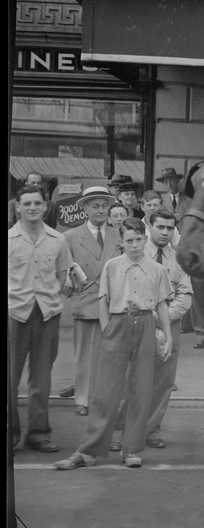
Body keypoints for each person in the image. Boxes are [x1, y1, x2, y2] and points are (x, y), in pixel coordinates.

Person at [53, 217, 173, 471]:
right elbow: (103, 299)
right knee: (106, 390)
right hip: (117, 324)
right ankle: (88, 451)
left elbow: (162, 304)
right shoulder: (112, 266)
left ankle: (130, 449)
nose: (135, 246)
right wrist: (107, 329)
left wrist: (168, 335)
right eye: (129, 241)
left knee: (141, 390)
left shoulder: (157, 270)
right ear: (122, 242)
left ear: (145, 238)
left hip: (146, 326)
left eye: (139, 240)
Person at [111, 209, 193, 451]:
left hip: (170, 327)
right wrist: (150, 317)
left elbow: (185, 295)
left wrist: (162, 319)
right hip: (135, 323)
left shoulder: (179, 257)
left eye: (170, 228)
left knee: (163, 379)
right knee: (130, 378)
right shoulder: (134, 250)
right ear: (150, 226)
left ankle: (151, 428)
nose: (165, 232)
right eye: (160, 227)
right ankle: (118, 430)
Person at [9, 184, 78, 453]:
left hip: (47, 313)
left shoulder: (57, 240)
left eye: (37, 203)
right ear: (18, 207)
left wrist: (50, 297)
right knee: (10, 379)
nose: (32, 208)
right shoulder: (9, 240)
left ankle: (37, 435)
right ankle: (11, 435)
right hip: (14, 314)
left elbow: (62, 274)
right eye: (26, 204)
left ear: (45, 206)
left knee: (41, 378)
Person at [60, 186, 123, 413]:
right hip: (85, 302)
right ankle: (82, 400)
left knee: (110, 354)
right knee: (84, 354)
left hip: (112, 304)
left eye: (105, 206)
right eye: (95, 206)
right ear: (85, 208)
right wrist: (72, 293)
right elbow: (61, 270)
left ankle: (103, 398)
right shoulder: (70, 237)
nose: (101, 210)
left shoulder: (119, 234)